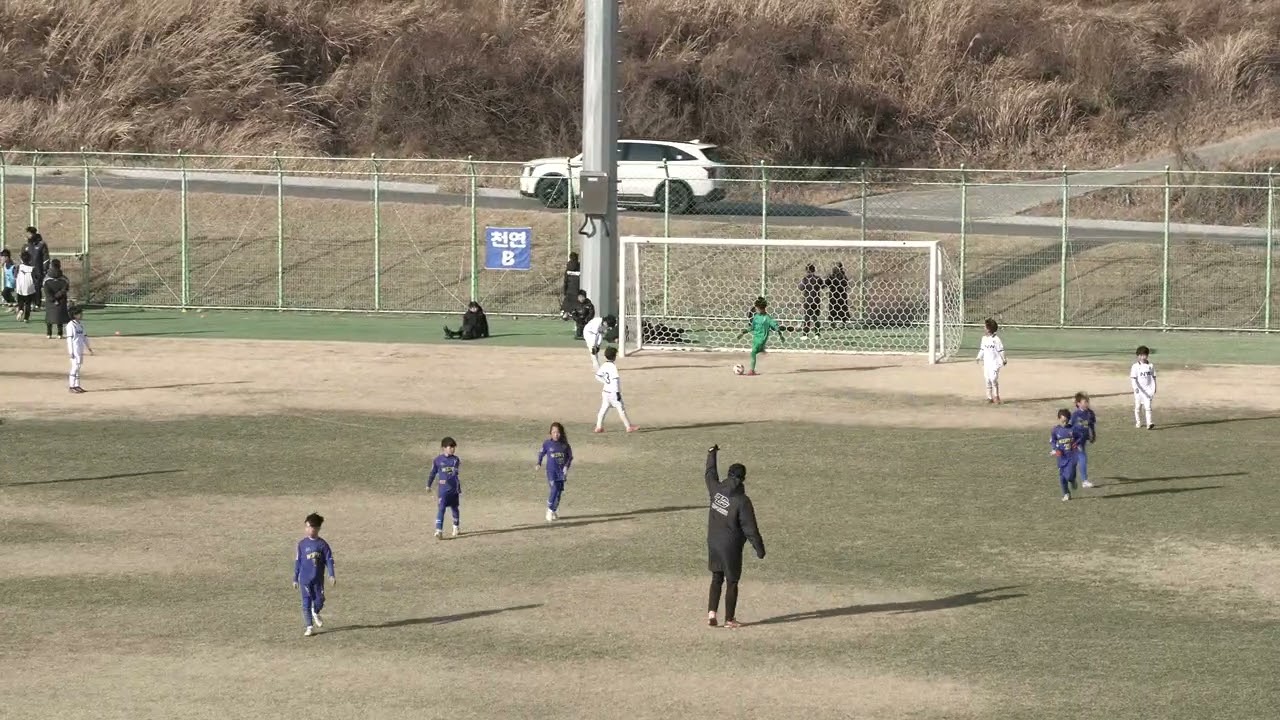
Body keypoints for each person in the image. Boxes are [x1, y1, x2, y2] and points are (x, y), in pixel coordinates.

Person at [703, 444, 765, 628]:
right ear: (743, 479)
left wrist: (711, 453)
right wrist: (759, 549)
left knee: (716, 577)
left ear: (729, 474)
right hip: (730, 546)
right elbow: (750, 528)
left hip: (713, 541)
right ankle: (729, 620)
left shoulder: (716, 489)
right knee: (732, 581)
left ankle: (711, 614)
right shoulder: (742, 501)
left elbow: (709, 473)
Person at [292, 512, 336, 637]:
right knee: (306, 601)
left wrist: (331, 575)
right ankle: (309, 627)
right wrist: (295, 578)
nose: (308, 529)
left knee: (320, 600)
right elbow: (298, 562)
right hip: (304, 579)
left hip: (318, 580)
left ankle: (315, 611)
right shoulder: (302, 544)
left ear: (317, 528)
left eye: (310, 527)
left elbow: (329, 560)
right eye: (306, 526)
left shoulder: (322, 545)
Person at [593, 346, 637, 433]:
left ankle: (598, 427)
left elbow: (597, 376)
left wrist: (605, 382)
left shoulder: (604, 365)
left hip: (605, 391)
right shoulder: (613, 367)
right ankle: (628, 427)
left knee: (603, 409)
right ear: (614, 356)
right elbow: (615, 380)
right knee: (621, 409)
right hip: (613, 392)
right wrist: (617, 392)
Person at [536, 422, 573, 522]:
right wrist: (538, 463)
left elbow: (570, 457)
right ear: (550, 433)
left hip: (561, 473)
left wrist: (566, 466)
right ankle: (549, 509)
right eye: (554, 432)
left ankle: (554, 510)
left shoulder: (565, 445)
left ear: (561, 433)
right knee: (555, 488)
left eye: (558, 432)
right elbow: (541, 453)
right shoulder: (547, 444)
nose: (556, 434)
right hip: (551, 471)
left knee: (559, 493)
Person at [735, 297, 783, 376]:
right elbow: (752, 327)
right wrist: (744, 332)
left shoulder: (767, 318)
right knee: (755, 350)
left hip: (762, 338)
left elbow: (774, 324)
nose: (756, 310)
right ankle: (761, 349)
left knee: (753, 352)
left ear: (762, 308)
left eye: (757, 308)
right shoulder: (756, 317)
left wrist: (778, 330)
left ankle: (752, 370)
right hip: (755, 338)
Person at [427, 437, 463, 538]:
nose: (452, 449)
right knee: (441, 508)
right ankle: (439, 530)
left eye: (453, 447)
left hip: (454, 488)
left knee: (454, 508)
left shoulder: (455, 460)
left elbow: (454, 472)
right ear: (444, 448)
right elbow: (433, 473)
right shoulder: (437, 460)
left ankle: (456, 526)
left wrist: (447, 477)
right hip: (443, 490)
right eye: (450, 447)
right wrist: (428, 485)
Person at [1050, 409, 1087, 501]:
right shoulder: (1055, 430)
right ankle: (1066, 493)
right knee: (1062, 477)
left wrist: (1077, 443)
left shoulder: (1072, 429)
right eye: (1063, 421)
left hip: (1072, 456)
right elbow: (1053, 441)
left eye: (1066, 421)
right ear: (1059, 419)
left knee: (1069, 475)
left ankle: (1072, 479)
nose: (1064, 423)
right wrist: (1055, 449)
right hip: (1061, 457)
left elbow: (1081, 436)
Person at [1069, 392, 1097, 489]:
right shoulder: (1075, 415)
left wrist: (1093, 434)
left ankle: (1071, 478)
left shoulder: (1090, 413)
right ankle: (1084, 481)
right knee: (1082, 457)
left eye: (1087, 402)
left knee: (1074, 462)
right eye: (1084, 402)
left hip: (1083, 439)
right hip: (1076, 440)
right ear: (1078, 403)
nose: (1087, 404)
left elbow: (1091, 425)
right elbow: (1069, 427)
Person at [976, 318, 1007, 403]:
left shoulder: (996, 339)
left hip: (995, 363)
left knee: (993, 379)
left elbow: (1001, 350)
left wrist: (1004, 359)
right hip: (987, 363)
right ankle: (989, 397)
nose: (984, 328)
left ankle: (996, 396)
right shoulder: (984, 339)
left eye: (985, 327)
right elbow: (982, 349)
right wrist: (978, 357)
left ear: (989, 329)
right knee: (987, 379)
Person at [66, 305, 93, 393]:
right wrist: (71, 351)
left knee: (78, 367)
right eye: (79, 313)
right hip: (75, 349)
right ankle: (71, 386)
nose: (81, 315)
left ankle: (77, 385)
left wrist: (88, 347)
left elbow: (84, 337)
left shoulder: (80, 324)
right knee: (75, 367)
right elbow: (69, 339)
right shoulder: (70, 325)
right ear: (74, 315)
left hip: (80, 348)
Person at [42, 259, 71, 339]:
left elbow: (46, 291)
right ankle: (60, 333)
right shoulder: (64, 279)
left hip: (50, 301)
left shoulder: (46, 279)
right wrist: (58, 297)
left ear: (51, 266)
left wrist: (53, 299)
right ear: (59, 266)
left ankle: (49, 333)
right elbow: (65, 289)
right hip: (61, 300)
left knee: (49, 316)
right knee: (59, 316)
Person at [1130, 345, 1157, 429]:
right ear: (1138, 356)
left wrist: (1155, 387)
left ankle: (1149, 423)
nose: (1142, 357)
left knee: (1148, 407)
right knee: (1138, 407)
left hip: (1148, 390)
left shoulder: (1151, 366)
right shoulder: (1135, 366)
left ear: (1147, 355)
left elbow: (1154, 377)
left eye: (1144, 355)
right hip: (1139, 391)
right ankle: (1138, 422)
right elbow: (1133, 379)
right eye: (1140, 355)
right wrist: (1136, 388)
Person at [23, 227, 47, 308]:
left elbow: (46, 258)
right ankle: (29, 303)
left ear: (34, 234)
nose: (28, 236)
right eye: (27, 234)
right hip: (27, 271)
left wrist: (44, 269)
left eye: (29, 234)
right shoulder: (25, 246)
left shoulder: (41, 244)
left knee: (37, 286)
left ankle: (37, 304)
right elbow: (22, 258)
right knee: (28, 286)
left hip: (38, 270)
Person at [798, 264, 823, 339]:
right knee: (815, 318)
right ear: (814, 270)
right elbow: (823, 285)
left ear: (807, 270)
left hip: (808, 301)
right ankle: (817, 334)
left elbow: (801, 287)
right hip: (816, 300)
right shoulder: (818, 279)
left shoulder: (805, 279)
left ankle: (805, 335)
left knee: (807, 318)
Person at [13, 251, 38, 323]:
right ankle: (26, 318)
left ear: (21, 259)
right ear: (30, 259)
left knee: (20, 301)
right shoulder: (32, 268)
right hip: (29, 289)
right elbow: (35, 278)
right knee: (28, 304)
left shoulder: (19, 267)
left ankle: (21, 310)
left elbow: (15, 276)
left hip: (20, 288)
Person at [826, 262, 851, 327]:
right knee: (836, 308)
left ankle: (842, 322)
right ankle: (834, 322)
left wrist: (830, 279)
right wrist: (828, 278)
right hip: (836, 294)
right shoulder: (834, 275)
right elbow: (827, 283)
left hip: (839, 294)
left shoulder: (842, 275)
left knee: (841, 308)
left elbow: (844, 283)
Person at [561, 252, 581, 320]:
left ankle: (566, 313)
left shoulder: (568, 267)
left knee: (568, 302)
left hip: (569, 289)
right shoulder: (579, 266)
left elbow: (565, 280)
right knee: (577, 304)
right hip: (577, 288)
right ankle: (574, 316)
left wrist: (565, 290)